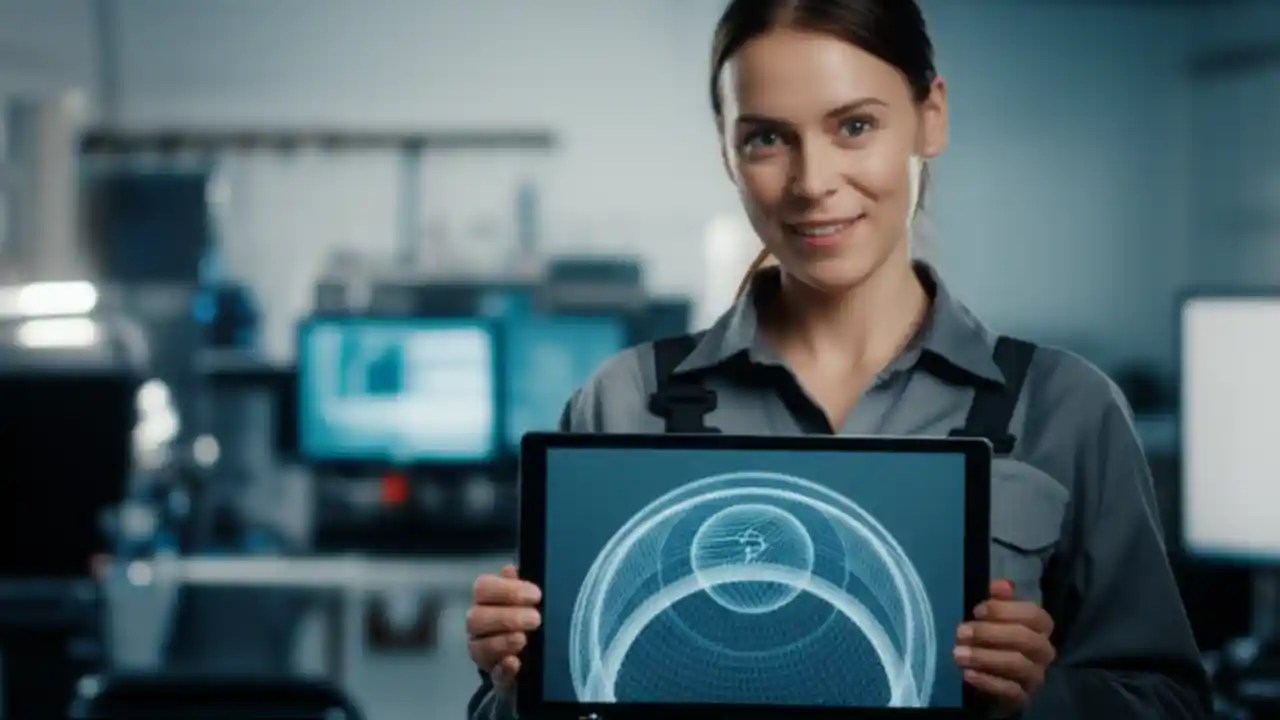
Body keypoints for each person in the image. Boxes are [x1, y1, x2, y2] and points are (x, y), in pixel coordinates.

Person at [466, 0, 1213, 717]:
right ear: (726, 150)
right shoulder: (621, 404)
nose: (813, 182)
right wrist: (514, 682)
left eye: (854, 126)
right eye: (766, 138)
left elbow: (1173, 705)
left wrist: (1034, 701)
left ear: (931, 117)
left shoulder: (1065, 407)